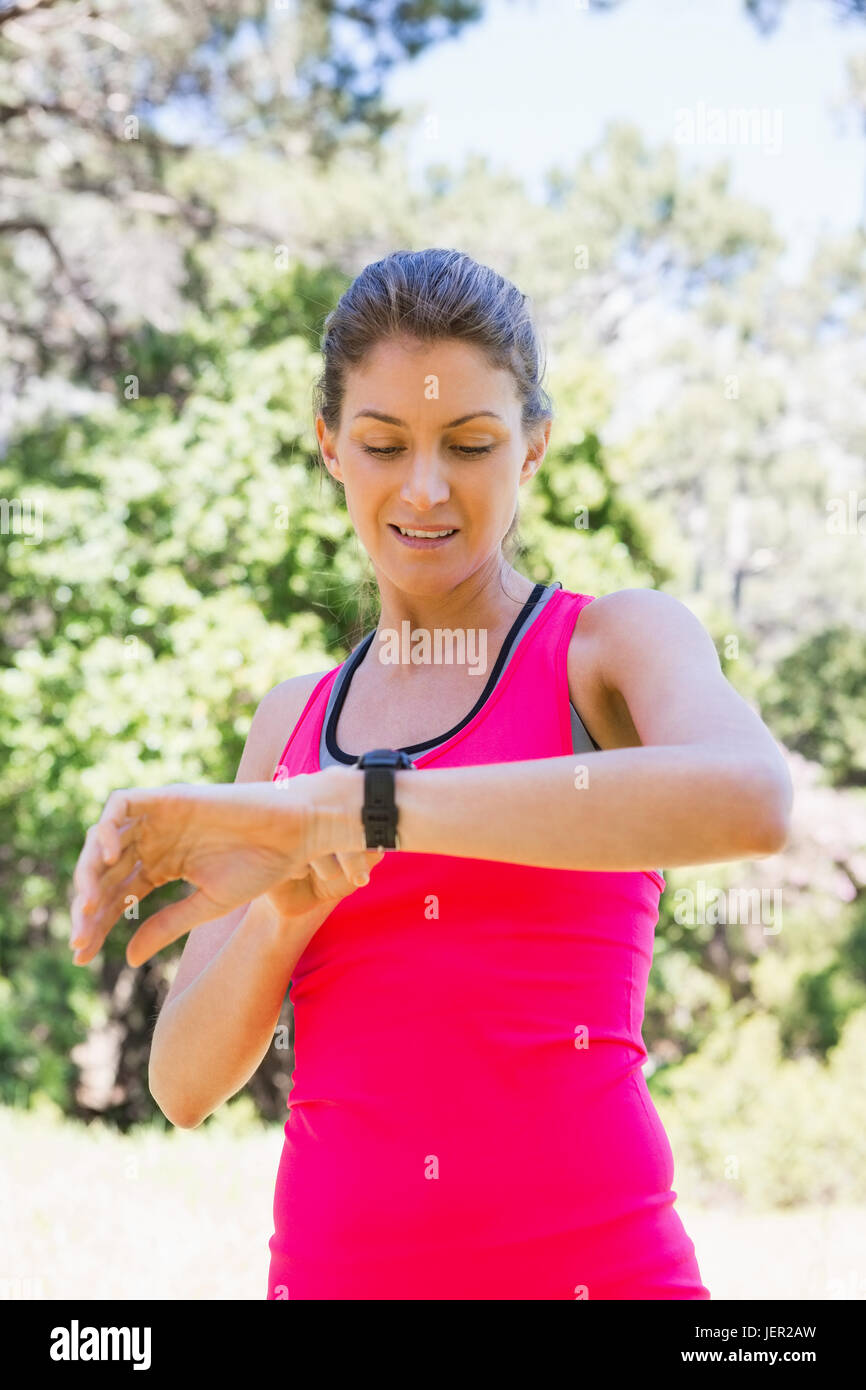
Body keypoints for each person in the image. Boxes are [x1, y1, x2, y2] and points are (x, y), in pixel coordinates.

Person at [70, 248, 793, 1300]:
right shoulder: (295, 720)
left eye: (469, 443)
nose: (423, 487)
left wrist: (356, 804)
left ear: (532, 446)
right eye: (380, 443)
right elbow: (182, 1085)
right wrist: (283, 909)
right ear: (328, 446)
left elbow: (752, 797)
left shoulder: (607, 650)